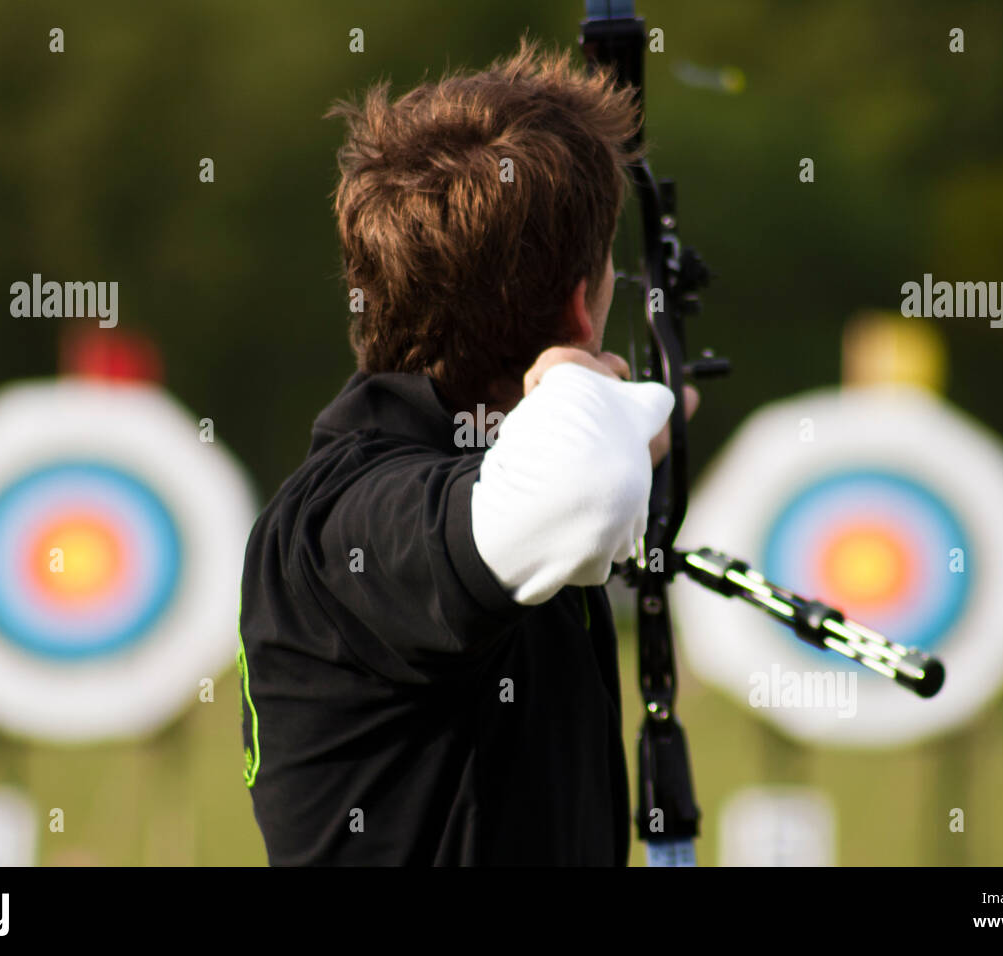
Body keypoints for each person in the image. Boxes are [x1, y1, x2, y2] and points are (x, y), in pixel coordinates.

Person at [238, 39, 697, 865]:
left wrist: (624, 428)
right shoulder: (351, 517)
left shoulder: (488, 485)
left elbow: (548, 488)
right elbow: (577, 494)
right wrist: (579, 385)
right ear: (579, 315)